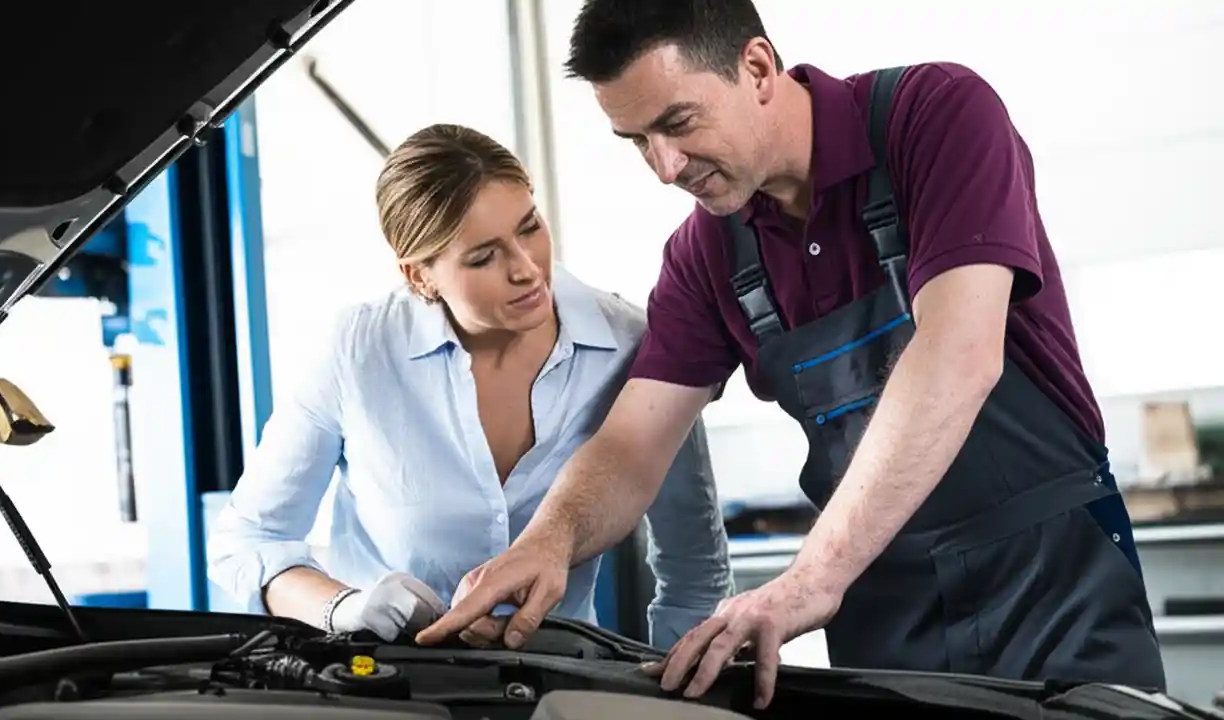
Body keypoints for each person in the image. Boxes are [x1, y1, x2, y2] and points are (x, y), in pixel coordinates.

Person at [416, 0, 1167, 709]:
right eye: (638, 141)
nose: (666, 166)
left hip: (1055, 585)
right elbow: (630, 447)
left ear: (757, 67)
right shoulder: (703, 258)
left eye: (677, 123)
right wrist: (549, 540)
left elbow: (957, 355)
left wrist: (810, 578)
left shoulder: (935, 117)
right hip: (886, 614)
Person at [206, 122, 733, 650]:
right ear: (420, 276)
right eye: (484, 257)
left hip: (563, 679)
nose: (526, 269)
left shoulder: (634, 347)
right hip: (383, 677)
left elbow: (694, 571)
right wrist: (345, 608)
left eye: (529, 227)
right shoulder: (358, 352)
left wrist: (674, 684)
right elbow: (249, 541)